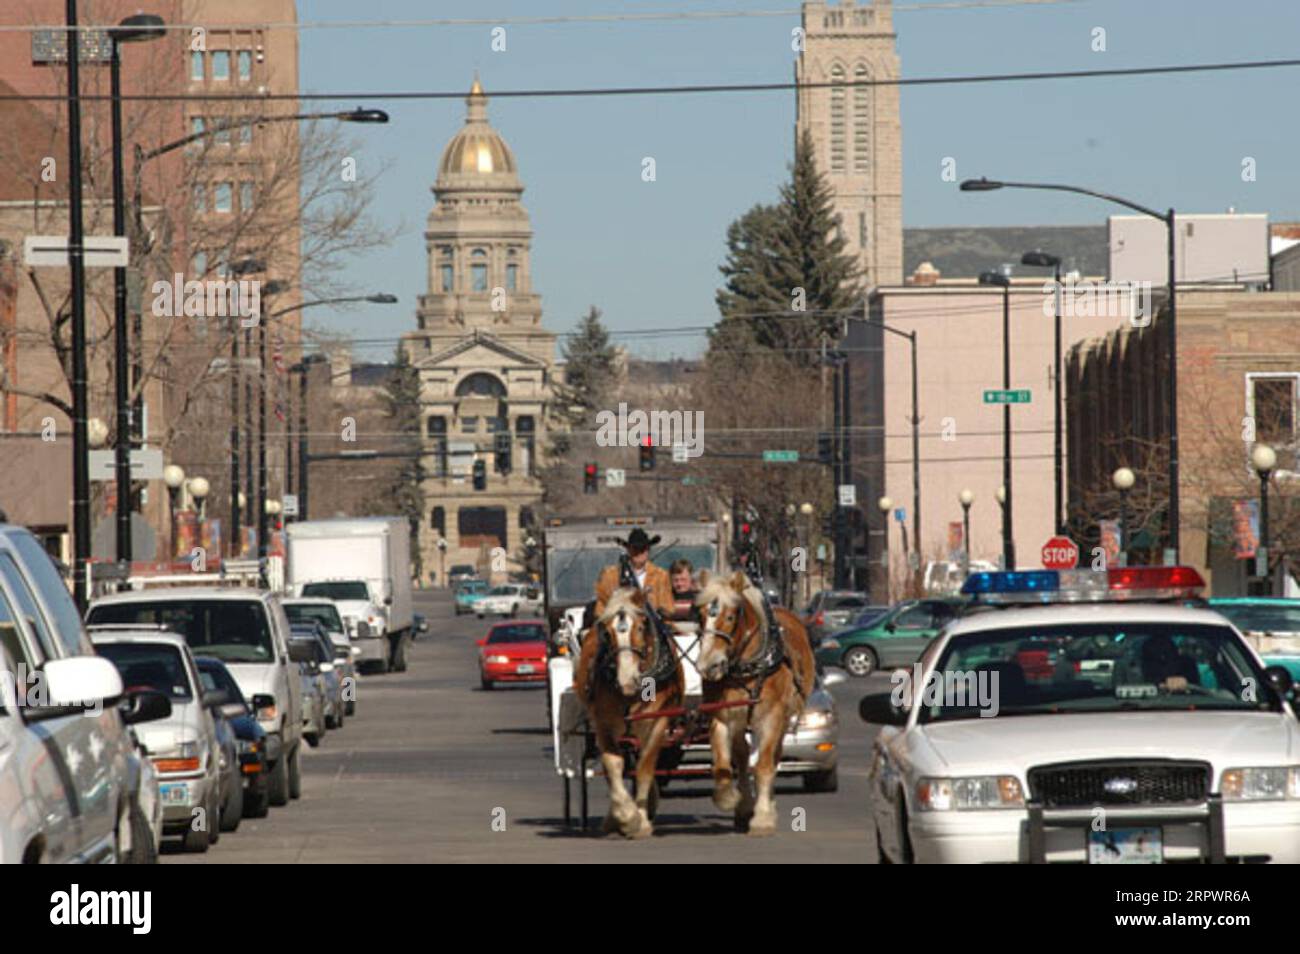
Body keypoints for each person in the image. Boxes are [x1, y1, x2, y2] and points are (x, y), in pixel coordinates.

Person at [577, 528, 674, 698]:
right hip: (618, 630)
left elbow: (668, 606)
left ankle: (647, 696)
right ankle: (593, 690)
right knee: (596, 652)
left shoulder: (661, 576)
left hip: (647, 632)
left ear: (648, 551)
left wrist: (654, 613)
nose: (639, 554)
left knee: (652, 659)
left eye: (643, 549)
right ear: (628, 550)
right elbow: (601, 608)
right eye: (635, 549)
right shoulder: (610, 575)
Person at [667, 558, 697, 623]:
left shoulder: (698, 601)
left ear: (691, 579)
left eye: (683, 579)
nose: (679, 584)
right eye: (676, 580)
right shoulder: (665, 600)